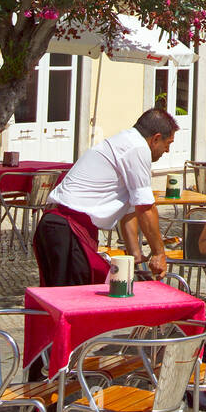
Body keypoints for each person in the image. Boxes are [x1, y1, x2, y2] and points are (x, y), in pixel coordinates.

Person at [34, 108, 177, 287]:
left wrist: (135, 256)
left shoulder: (126, 142)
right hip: (66, 228)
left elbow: (130, 211)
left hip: (58, 227)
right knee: (71, 301)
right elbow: (146, 208)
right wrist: (159, 253)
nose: (168, 150)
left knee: (68, 299)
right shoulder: (138, 148)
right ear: (156, 138)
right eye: (168, 143)